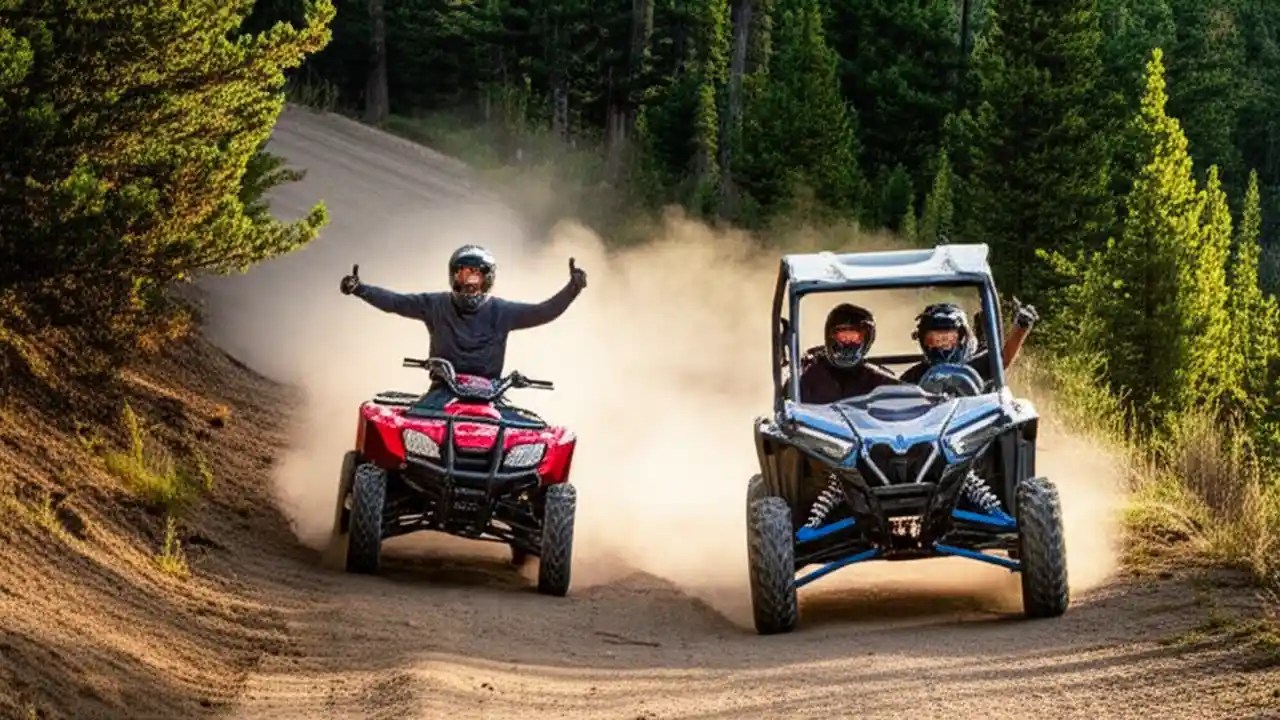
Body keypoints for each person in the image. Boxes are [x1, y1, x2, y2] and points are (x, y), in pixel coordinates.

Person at [340, 244, 587, 414]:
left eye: (475, 275)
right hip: (441, 392)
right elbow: (395, 302)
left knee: (526, 438)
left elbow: (543, 311)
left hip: (490, 396)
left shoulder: (503, 311)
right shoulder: (434, 304)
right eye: (463, 274)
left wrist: (572, 288)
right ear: (453, 277)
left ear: (487, 279)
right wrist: (361, 289)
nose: (469, 282)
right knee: (404, 436)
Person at [899, 299, 1038, 385]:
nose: (941, 345)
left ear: (962, 338)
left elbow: (1004, 359)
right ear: (923, 341)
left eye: (948, 339)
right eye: (934, 340)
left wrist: (1021, 327)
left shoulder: (974, 367)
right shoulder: (914, 375)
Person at [798, 303, 900, 404]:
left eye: (854, 337)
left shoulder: (882, 382)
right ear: (830, 336)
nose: (848, 342)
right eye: (843, 336)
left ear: (867, 339)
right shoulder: (803, 379)